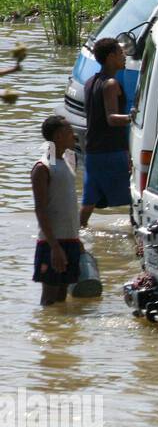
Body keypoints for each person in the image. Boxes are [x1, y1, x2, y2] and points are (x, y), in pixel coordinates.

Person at [80, 36, 132, 228]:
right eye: (120, 53)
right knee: (134, 196)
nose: (124, 56)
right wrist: (133, 117)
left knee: (89, 201)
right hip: (111, 151)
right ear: (111, 57)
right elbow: (111, 119)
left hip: (93, 150)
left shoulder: (90, 82)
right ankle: (138, 236)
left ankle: (76, 234)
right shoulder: (111, 84)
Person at [32, 115, 82, 306]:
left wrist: (78, 239)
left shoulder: (69, 160)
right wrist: (54, 247)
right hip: (51, 243)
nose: (74, 136)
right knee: (49, 298)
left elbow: (68, 203)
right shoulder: (42, 168)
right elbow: (41, 209)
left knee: (62, 299)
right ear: (59, 136)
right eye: (70, 132)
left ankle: (61, 334)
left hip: (71, 240)